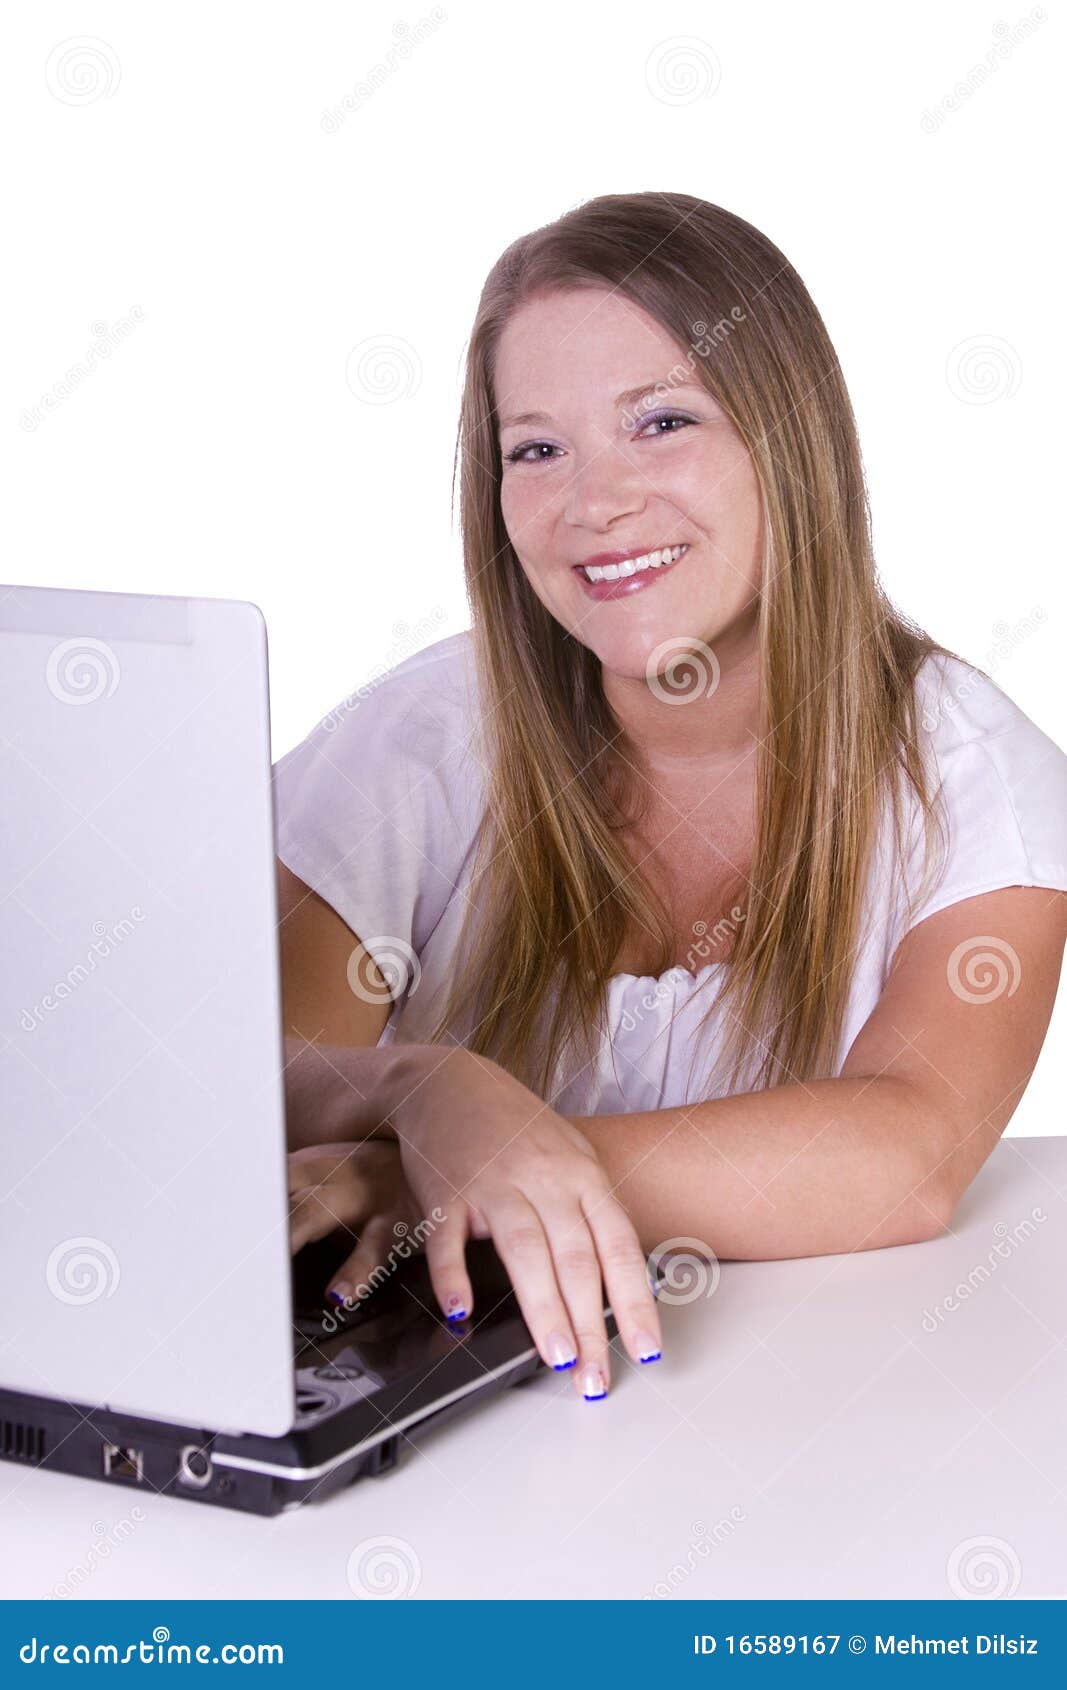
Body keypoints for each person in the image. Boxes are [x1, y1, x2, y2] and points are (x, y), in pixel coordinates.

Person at [275, 192, 1067, 1403]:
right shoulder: (426, 735)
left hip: (805, 1422)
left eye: (659, 421)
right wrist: (422, 1090)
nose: (594, 503)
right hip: (474, 1437)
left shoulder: (969, 771)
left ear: (789, 441)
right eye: (535, 448)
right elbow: (236, 1064)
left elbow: (905, 1152)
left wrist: (468, 1166)